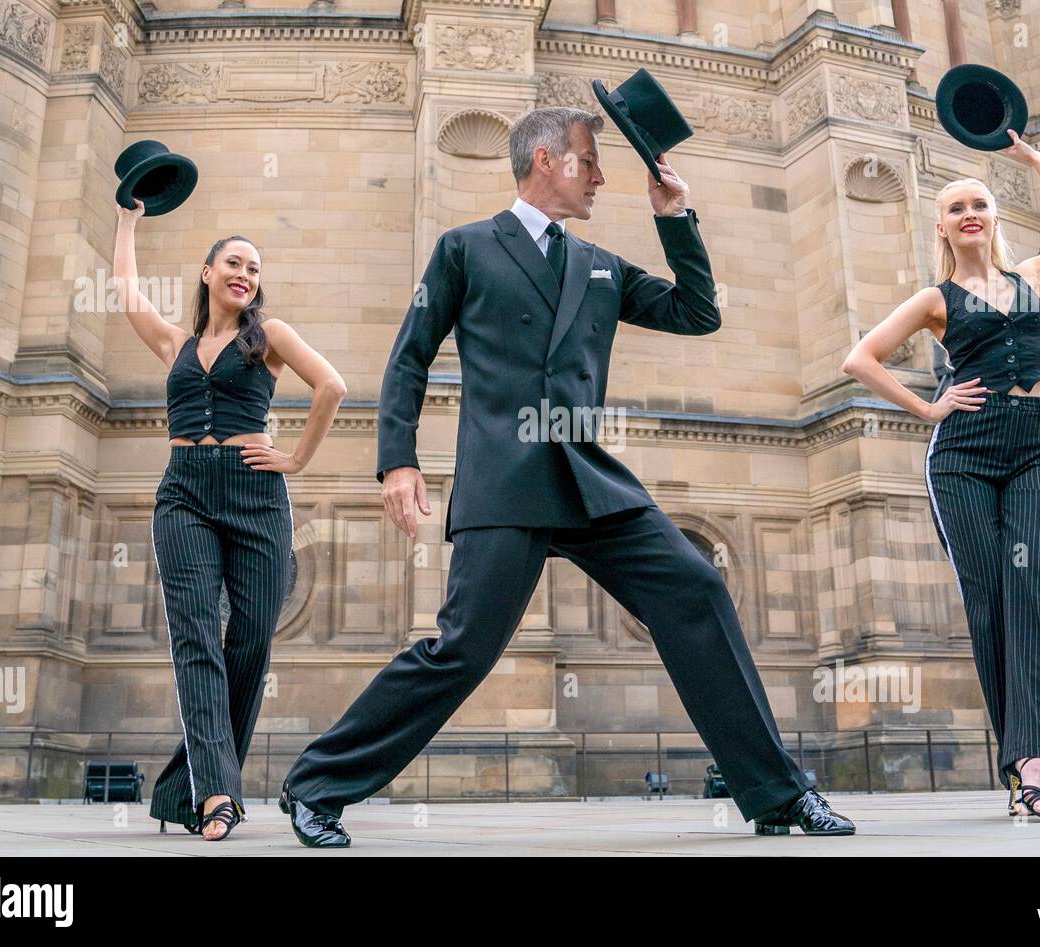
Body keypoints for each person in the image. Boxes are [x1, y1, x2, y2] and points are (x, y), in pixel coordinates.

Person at [278, 106, 854, 846]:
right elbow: (410, 356)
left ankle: (776, 793)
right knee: (461, 649)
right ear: (546, 160)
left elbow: (697, 312)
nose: (602, 177)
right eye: (590, 161)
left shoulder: (602, 266)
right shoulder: (465, 248)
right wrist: (397, 458)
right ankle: (317, 784)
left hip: (590, 482)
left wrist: (676, 219)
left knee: (696, 588)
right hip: (504, 480)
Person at [842, 129, 1040, 821]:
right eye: (956, 207)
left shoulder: (1034, 279)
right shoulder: (936, 299)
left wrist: (1036, 161)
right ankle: (1024, 765)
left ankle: (1037, 758)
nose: (970, 214)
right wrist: (929, 406)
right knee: (990, 600)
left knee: (1035, 594)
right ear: (943, 227)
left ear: (993, 218)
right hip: (963, 454)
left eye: (979, 203)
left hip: (1036, 448)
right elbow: (860, 358)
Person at [114, 199, 346, 839]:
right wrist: (129, 221)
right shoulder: (177, 344)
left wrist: (296, 458)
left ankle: (182, 787)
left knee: (250, 638)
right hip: (183, 492)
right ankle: (216, 792)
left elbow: (332, 386)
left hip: (256, 495)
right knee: (193, 636)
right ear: (208, 274)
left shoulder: (268, 338)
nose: (245, 274)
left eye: (254, 267)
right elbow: (127, 291)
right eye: (234, 263)